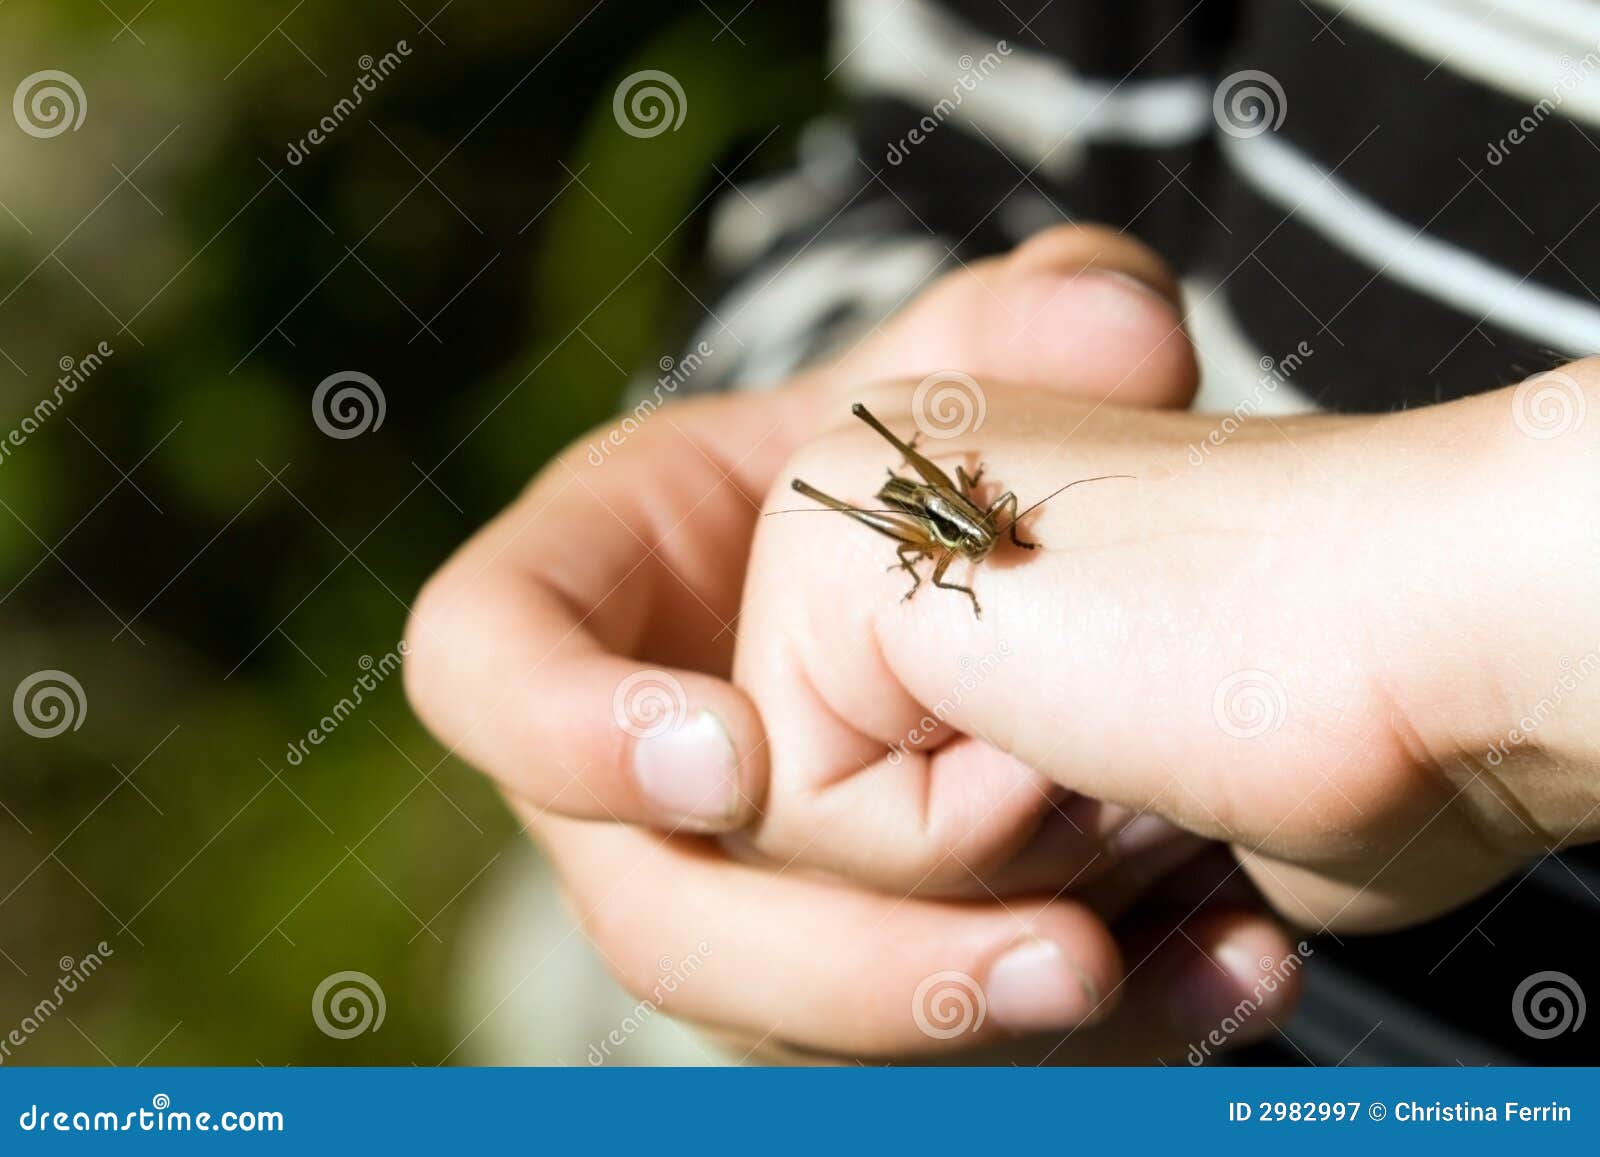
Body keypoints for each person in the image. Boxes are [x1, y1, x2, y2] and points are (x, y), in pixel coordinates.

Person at [406, 0, 1600, 1063]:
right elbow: (938, 168)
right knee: (571, 988)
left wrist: (1465, 626)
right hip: (1133, 957)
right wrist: (796, 422)